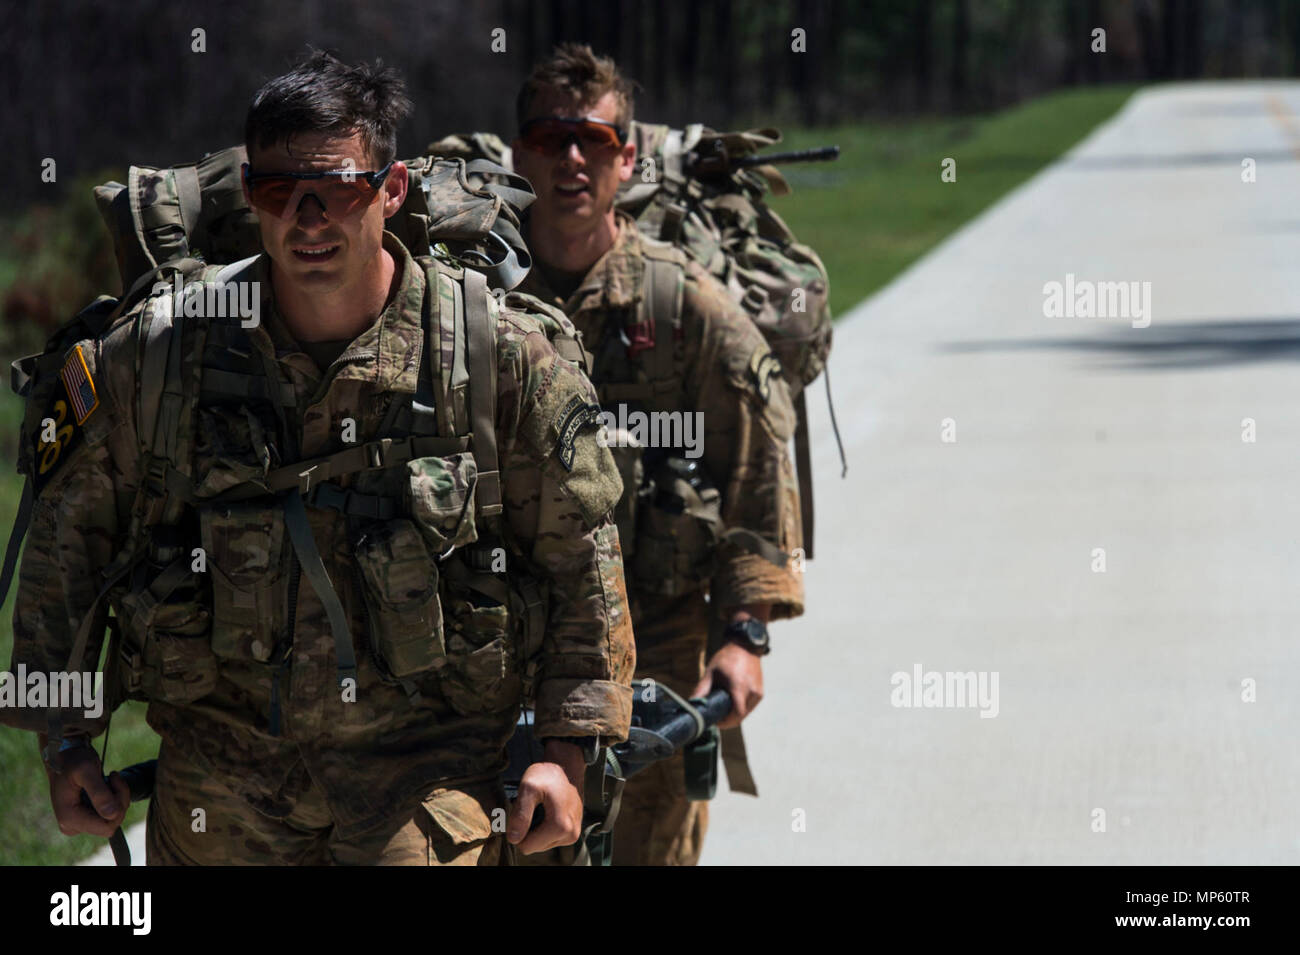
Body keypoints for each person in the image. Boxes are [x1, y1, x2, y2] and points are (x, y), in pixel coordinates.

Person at [1, 51, 635, 865]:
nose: (308, 219)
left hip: (426, 767)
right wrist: (63, 741)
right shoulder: (162, 356)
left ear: (391, 189)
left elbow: (580, 556)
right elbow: (69, 544)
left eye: (336, 189)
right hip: (221, 772)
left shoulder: (493, 356)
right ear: (250, 197)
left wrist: (565, 752)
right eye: (279, 191)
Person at [509, 44, 804, 866]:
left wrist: (743, 636)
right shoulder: (479, 301)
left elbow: (755, 474)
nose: (573, 159)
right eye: (552, 138)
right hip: (509, 651)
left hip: (661, 649)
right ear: (520, 154)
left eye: (595, 141)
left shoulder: (683, 307)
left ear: (628, 159)